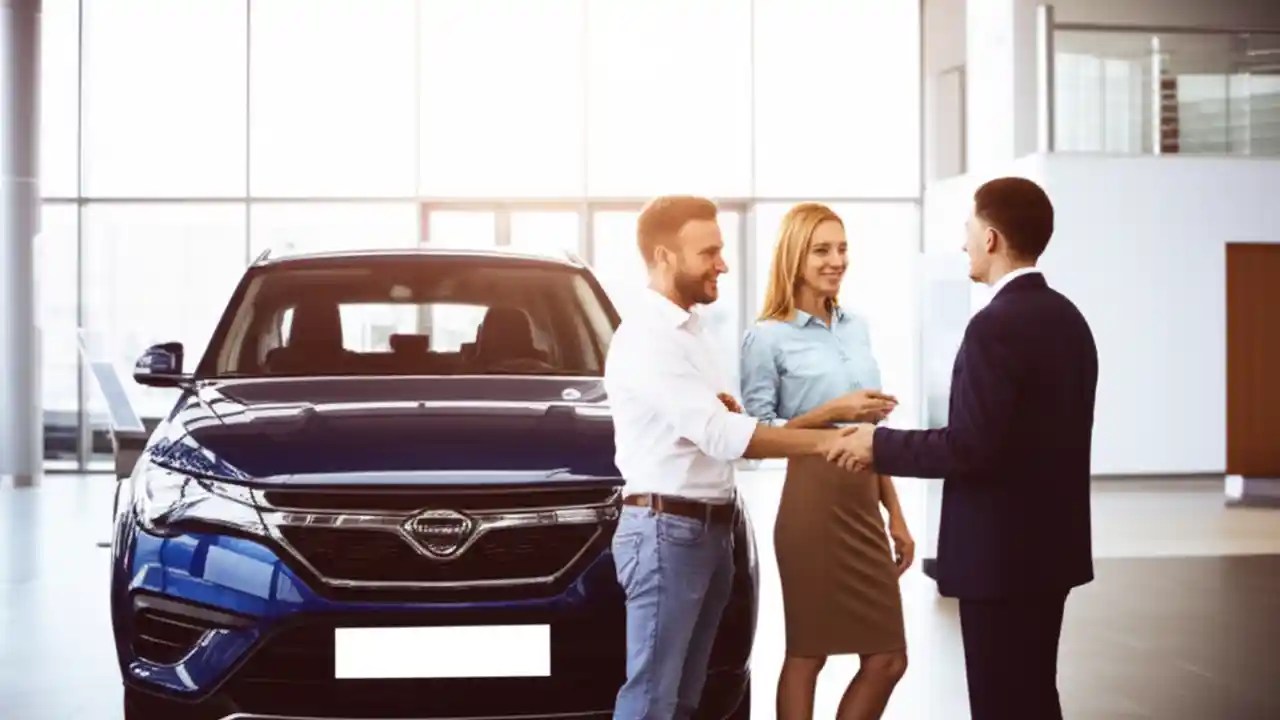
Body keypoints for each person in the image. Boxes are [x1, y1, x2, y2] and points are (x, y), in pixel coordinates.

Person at [829, 177, 1098, 720]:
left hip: (1001, 558)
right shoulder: (1070, 320)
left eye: (970, 231)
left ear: (992, 238)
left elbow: (971, 446)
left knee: (1002, 702)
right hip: (1051, 552)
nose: (964, 244)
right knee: (1035, 695)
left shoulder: (993, 327)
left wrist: (877, 445)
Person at [603, 195, 866, 720]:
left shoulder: (692, 333)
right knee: (652, 699)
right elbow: (725, 434)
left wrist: (730, 421)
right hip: (665, 532)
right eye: (710, 252)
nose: (722, 263)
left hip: (708, 529)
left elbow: (725, 423)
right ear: (664, 257)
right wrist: (832, 440)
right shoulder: (649, 337)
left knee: (683, 697)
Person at [739, 202, 912, 720]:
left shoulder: (856, 327)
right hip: (811, 506)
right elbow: (757, 438)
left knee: (888, 658)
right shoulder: (766, 336)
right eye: (822, 250)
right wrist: (832, 410)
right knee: (808, 653)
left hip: (864, 500)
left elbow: (868, 434)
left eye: (841, 248)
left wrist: (896, 514)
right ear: (795, 256)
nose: (836, 260)